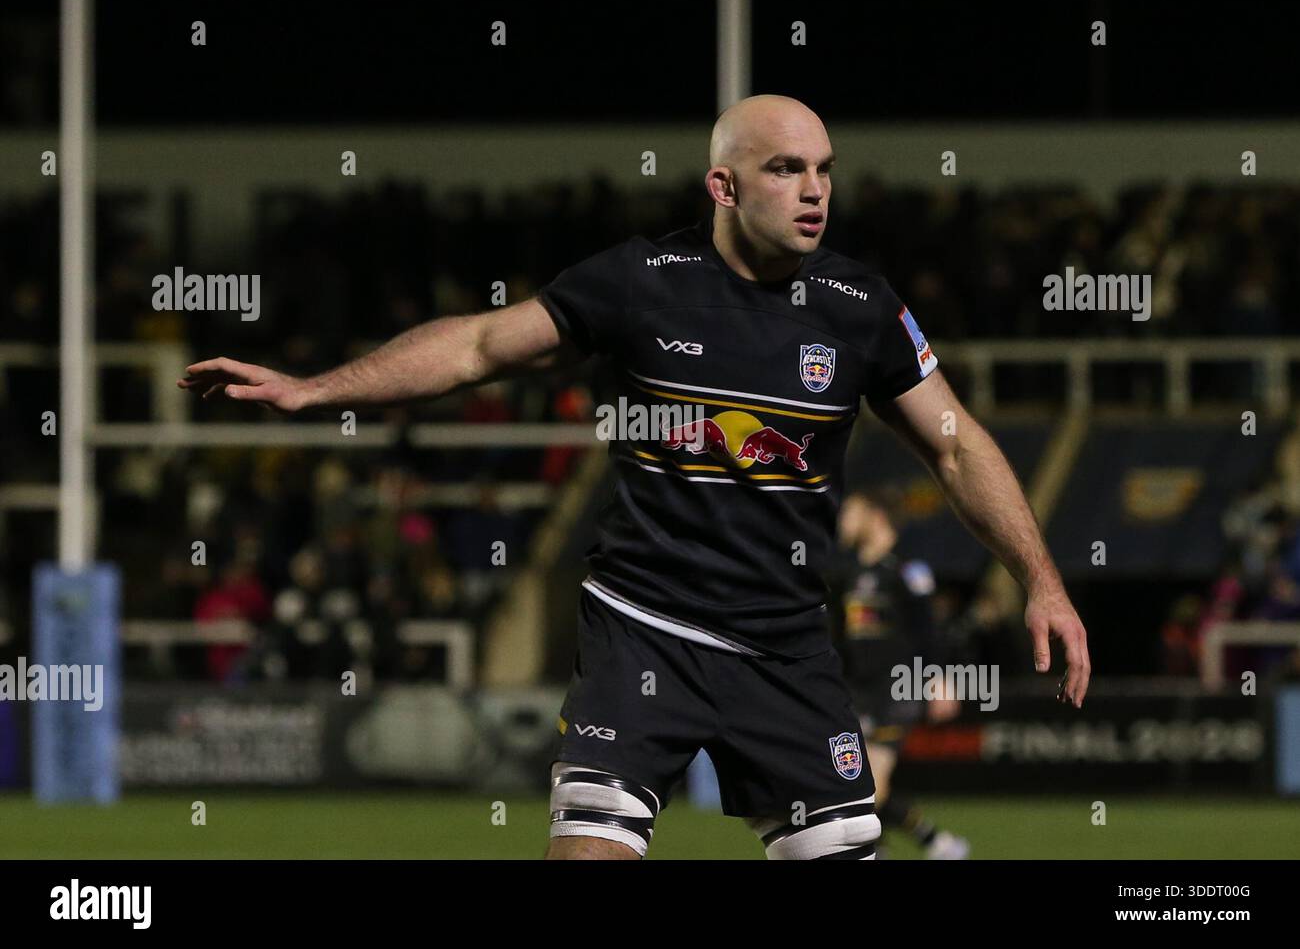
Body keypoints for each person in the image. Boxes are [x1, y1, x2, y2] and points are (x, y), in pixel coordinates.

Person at [179, 94, 1091, 860]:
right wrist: (314, 390)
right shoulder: (642, 282)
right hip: (642, 632)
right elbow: (478, 346)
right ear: (723, 186)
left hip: (786, 646)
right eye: (785, 170)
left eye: (823, 169)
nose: (814, 191)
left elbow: (957, 445)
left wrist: (1041, 581)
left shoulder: (861, 307)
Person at [831, 489, 969, 859]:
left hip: (897, 690)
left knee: (869, 785)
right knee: (856, 786)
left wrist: (940, 679)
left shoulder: (907, 569)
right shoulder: (851, 574)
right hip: (858, 692)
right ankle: (935, 842)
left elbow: (928, 629)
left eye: (851, 511)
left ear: (876, 516)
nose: (842, 519)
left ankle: (910, 847)